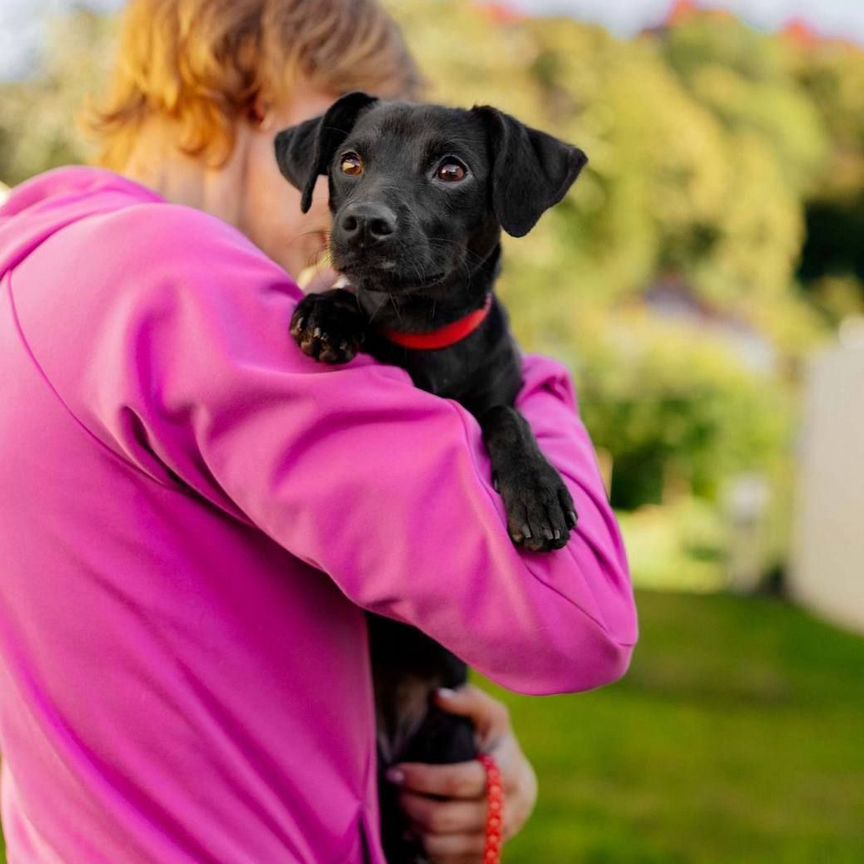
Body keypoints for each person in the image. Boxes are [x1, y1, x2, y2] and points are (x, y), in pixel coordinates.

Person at [0, 0, 639, 862]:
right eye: (355, 148)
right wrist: (530, 384)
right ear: (265, 97)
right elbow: (580, 616)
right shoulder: (185, 287)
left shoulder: (35, 278)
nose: (374, 201)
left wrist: (428, 748)